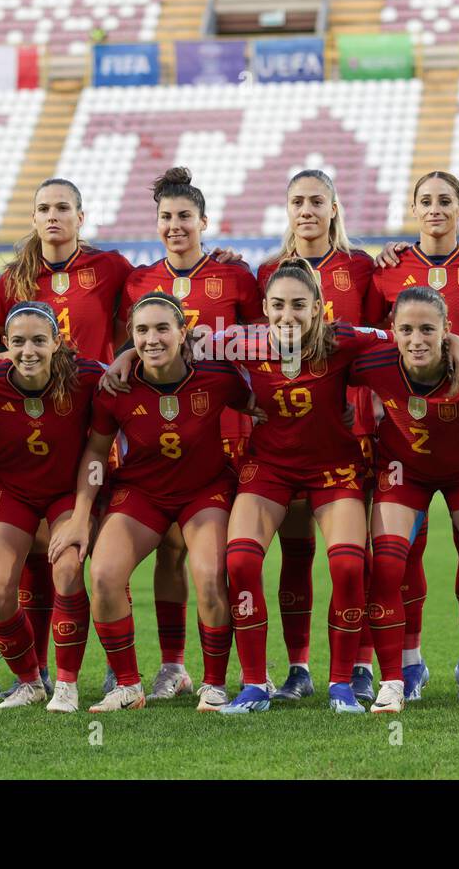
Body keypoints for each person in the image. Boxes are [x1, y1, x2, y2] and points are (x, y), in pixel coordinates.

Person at [215, 260, 459, 714]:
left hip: (333, 468)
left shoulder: (343, 339)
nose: (287, 315)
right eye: (277, 305)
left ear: (318, 308)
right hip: (269, 467)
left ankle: (340, 683)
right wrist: (128, 356)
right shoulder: (246, 342)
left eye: (299, 305)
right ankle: (255, 684)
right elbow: (177, 344)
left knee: (351, 569)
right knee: (238, 560)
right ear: (263, 309)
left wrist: (454, 339)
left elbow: (403, 337)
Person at [50, 292, 254, 712]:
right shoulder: (116, 387)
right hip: (141, 492)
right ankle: (127, 685)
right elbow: (94, 454)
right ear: (131, 337)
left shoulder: (218, 377)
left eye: (163, 328)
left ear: (183, 333)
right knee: (104, 574)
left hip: (204, 491)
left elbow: (262, 404)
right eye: (142, 330)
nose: (152, 338)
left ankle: (214, 684)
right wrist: (82, 514)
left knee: (211, 575)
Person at [112, 167, 262, 700]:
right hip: (165, 430)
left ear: (204, 221)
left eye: (184, 217)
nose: (175, 226)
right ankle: (174, 667)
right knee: (172, 550)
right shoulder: (137, 281)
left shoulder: (237, 277)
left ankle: (259, 669)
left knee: (231, 556)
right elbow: (126, 348)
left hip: (230, 425)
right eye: (166, 218)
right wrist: (130, 351)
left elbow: (264, 342)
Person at [370, 170, 459, 701]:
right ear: (413, 207)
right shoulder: (385, 270)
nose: (434, 208)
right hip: (403, 440)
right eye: (425, 200)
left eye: (444, 201)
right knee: (396, 559)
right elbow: (365, 347)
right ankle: (406, 668)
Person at [350, 287, 459, 713]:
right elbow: (328, 343)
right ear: (392, 331)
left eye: (428, 329)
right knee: (386, 565)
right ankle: (392, 681)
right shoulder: (374, 360)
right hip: (405, 474)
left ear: (447, 331)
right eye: (406, 329)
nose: (416, 339)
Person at [255, 169, 384, 702]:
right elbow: (252, 350)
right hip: (287, 435)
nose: (306, 209)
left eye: (316, 200)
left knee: (359, 554)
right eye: (297, 201)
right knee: (296, 550)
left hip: (351, 435)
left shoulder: (363, 267)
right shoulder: (267, 271)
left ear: (334, 208)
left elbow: (383, 345)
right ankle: (299, 667)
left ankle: (358, 666)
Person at [0, 301, 105, 712]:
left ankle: (67, 684)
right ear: (5, 344)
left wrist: (131, 351)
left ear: (57, 342)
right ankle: (29, 681)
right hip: (11, 490)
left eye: (39, 341)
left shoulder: (86, 377)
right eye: (19, 342)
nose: (29, 350)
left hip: (67, 491)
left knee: (66, 570)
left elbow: (130, 372)